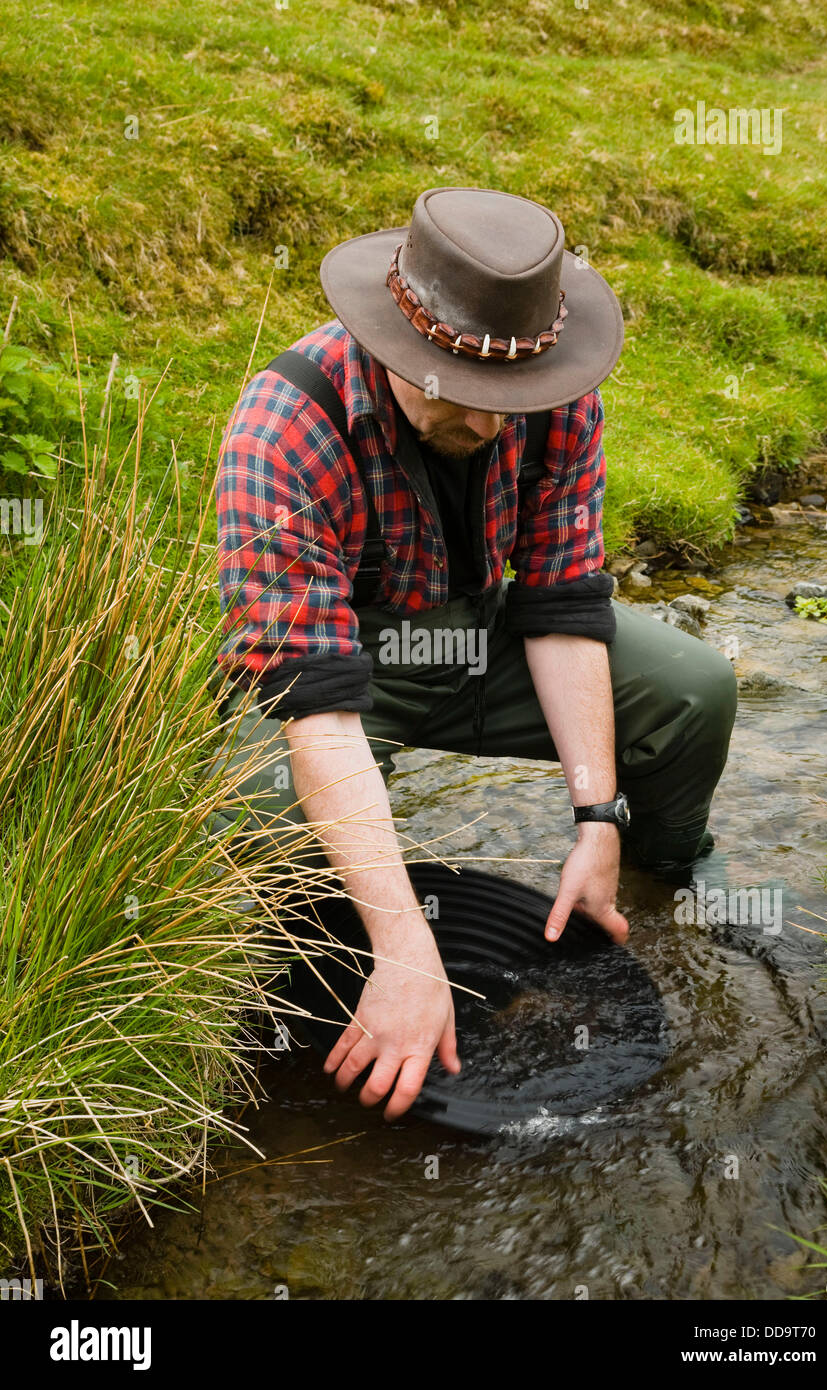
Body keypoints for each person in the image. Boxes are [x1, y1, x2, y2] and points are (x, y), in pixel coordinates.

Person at [210, 185, 737, 1121]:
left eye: (514, 400)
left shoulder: (554, 391)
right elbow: (321, 720)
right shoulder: (284, 428)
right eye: (467, 398)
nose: (497, 426)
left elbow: (566, 609)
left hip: (482, 636)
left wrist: (599, 819)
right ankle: (291, 1004)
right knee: (246, 825)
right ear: (396, 346)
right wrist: (410, 953)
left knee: (693, 689)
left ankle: (666, 883)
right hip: (341, 671)